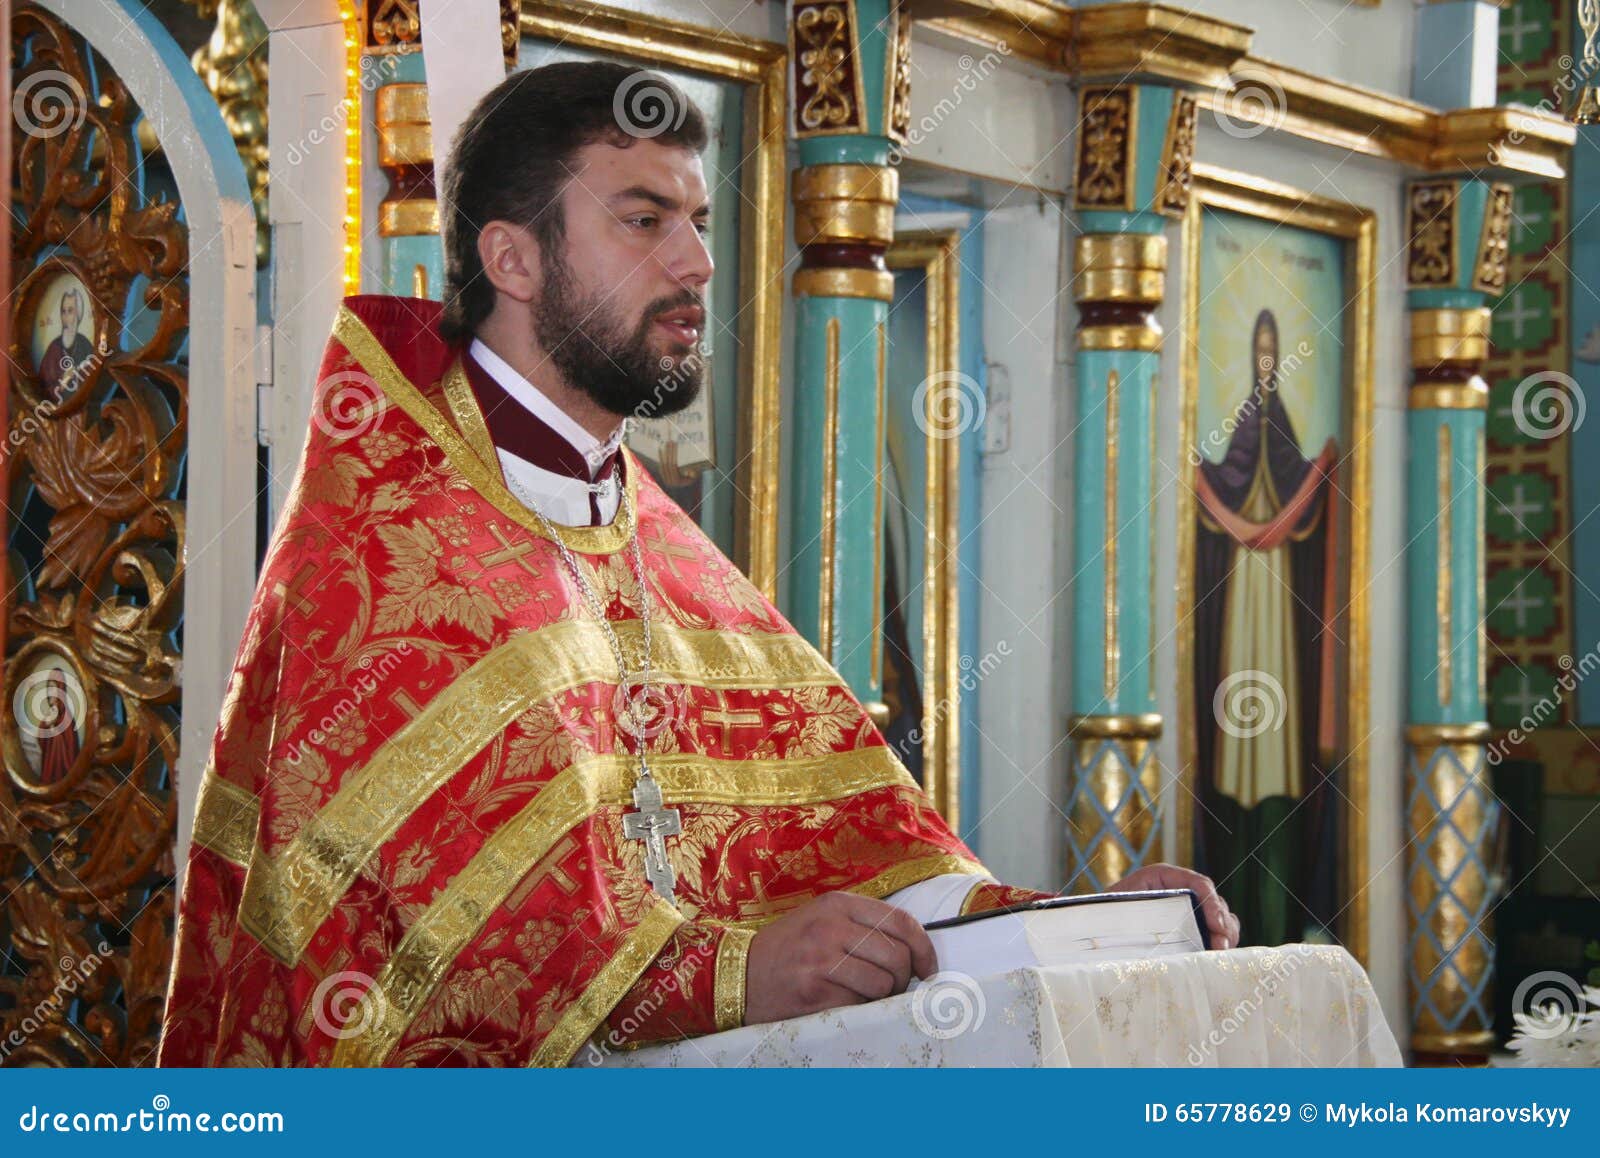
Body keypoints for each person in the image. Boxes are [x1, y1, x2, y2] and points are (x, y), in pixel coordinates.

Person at [159, 62, 1237, 1068]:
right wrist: (734, 972)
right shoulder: (394, 546)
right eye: (645, 219)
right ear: (512, 258)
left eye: (699, 221)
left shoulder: (655, 540)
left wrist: (1082, 931)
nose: (697, 263)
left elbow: (853, 849)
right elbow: (399, 945)